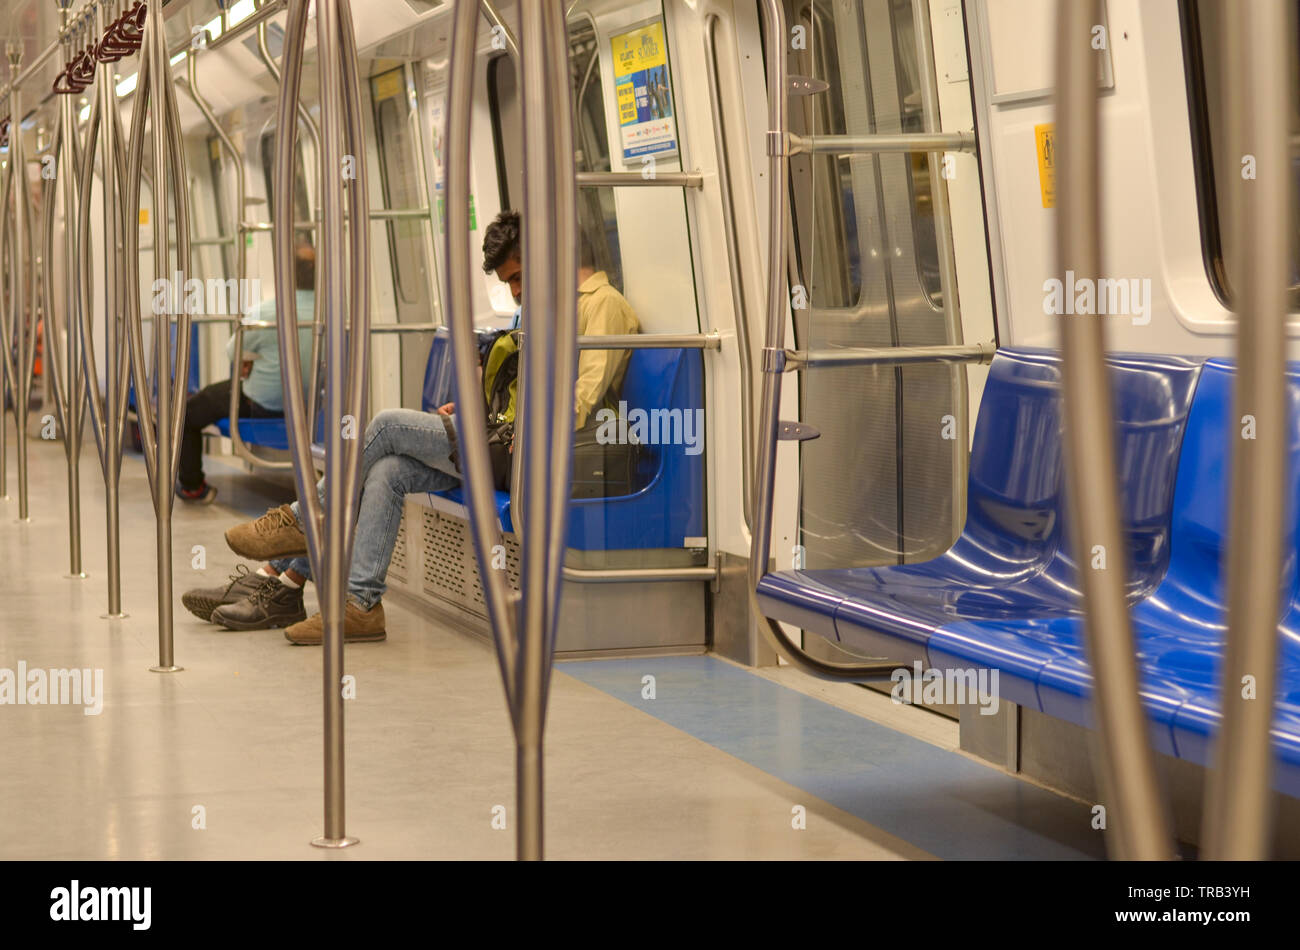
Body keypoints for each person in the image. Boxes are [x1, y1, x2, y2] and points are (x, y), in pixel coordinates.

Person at [207, 210, 640, 643]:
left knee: (386, 425)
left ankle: (306, 521)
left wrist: (504, 423)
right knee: (385, 472)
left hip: (535, 450)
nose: (517, 290)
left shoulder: (603, 306)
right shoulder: (543, 307)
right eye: (510, 281)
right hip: (502, 440)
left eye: (520, 276)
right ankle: (360, 606)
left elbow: (581, 404)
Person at [175, 242, 317, 503]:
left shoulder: (268, 311)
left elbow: (233, 352)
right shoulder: (329, 309)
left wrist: (249, 362)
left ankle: (192, 486)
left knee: (187, 413)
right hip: (309, 404)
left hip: (262, 403)